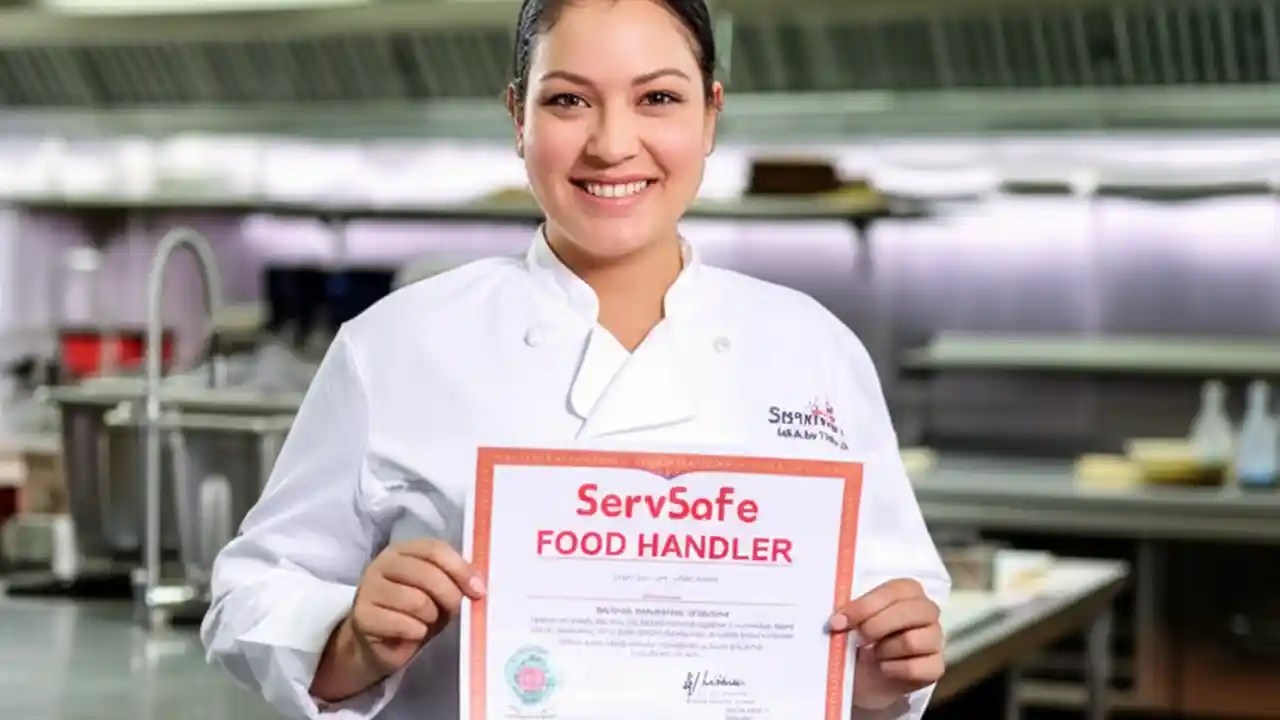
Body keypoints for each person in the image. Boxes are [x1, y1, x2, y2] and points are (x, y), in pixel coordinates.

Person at [200, 0, 951, 717]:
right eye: (568, 101)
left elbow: (887, 615)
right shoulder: (396, 345)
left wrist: (880, 671)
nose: (612, 144)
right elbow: (252, 594)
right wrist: (349, 640)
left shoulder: (813, 348)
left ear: (710, 115)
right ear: (517, 118)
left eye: (658, 99)